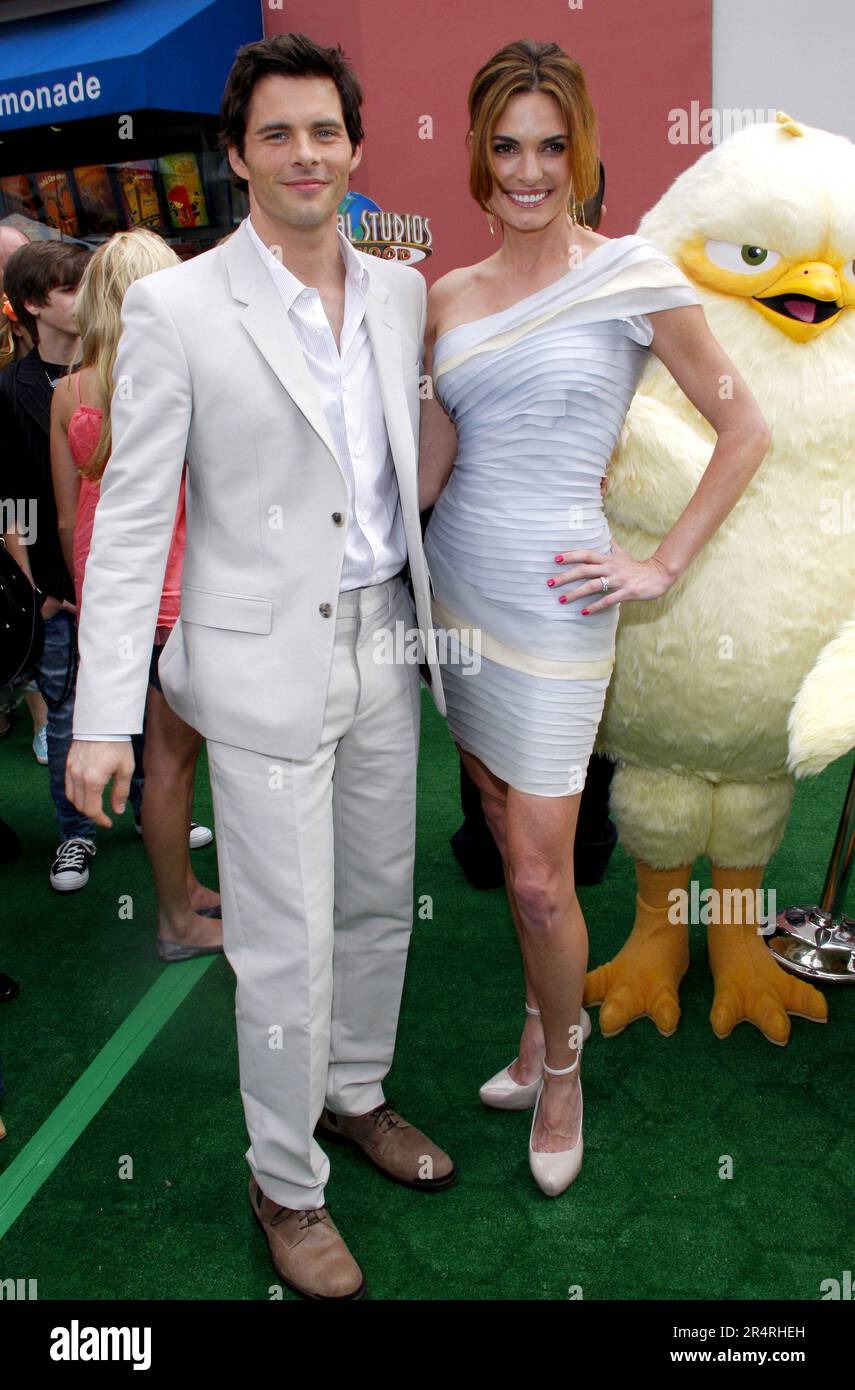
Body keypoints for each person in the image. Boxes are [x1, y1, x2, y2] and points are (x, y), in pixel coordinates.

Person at [66, 32, 454, 1301]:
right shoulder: (181, 305)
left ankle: (353, 1096)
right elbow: (131, 515)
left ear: (355, 145)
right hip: (257, 666)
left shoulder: (399, 292)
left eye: (324, 131)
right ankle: (283, 1181)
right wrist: (103, 717)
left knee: (378, 901)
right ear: (235, 158)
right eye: (277, 134)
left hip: (384, 641)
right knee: (280, 942)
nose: (305, 154)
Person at [419, 39, 770, 1197]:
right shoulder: (446, 298)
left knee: (536, 874)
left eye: (551, 145)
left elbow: (744, 426)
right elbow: (427, 472)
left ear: (581, 149)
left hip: (568, 606)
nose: (528, 170)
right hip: (459, 593)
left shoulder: (634, 273)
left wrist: (662, 562)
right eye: (507, 146)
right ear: (480, 153)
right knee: (489, 814)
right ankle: (533, 1022)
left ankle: (562, 1072)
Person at [50, 230, 222, 958]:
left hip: (116, 595)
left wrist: (92, 598)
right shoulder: (182, 374)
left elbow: (66, 514)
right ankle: (176, 921)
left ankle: (183, 892)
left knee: (166, 761)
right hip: (178, 592)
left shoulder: (70, 388)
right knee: (174, 763)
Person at [0, 239, 97, 889]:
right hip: (58, 589)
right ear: (34, 304)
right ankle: (76, 833)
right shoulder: (9, 390)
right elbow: (10, 502)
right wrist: (38, 590)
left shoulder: (115, 368)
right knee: (64, 714)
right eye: (70, 289)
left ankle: (151, 810)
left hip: (123, 575)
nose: (86, 299)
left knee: (145, 708)